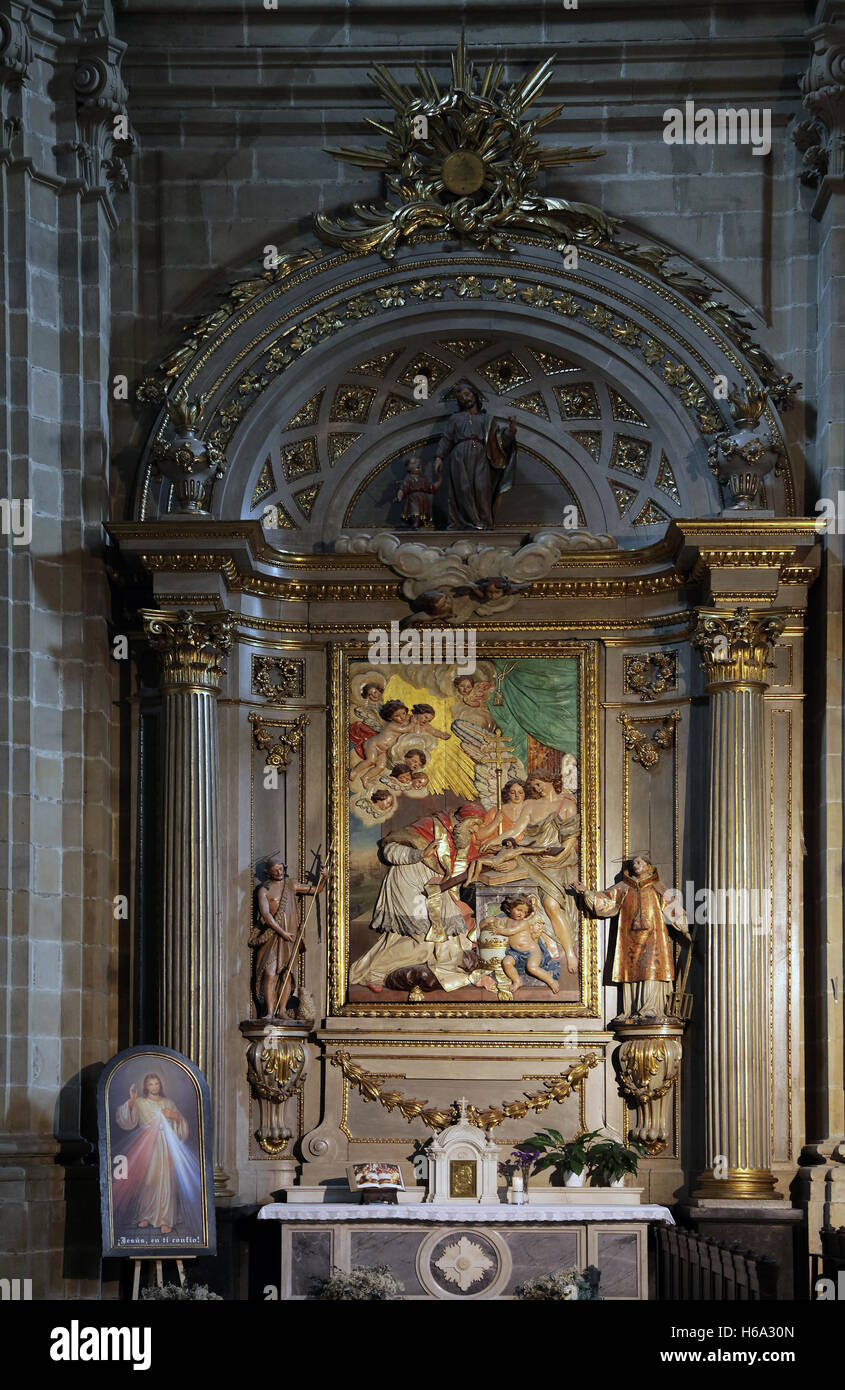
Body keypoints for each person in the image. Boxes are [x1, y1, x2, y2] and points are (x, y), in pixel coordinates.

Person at [348, 804, 495, 993]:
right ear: (462, 820)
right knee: (423, 940)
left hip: (435, 890)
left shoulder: (460, 838)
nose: (476, 830)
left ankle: (376, 970)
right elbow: (389, 850)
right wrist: (419, 854)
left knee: (445, 940)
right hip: (409, 886)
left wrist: (495, 858)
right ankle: (375, 972)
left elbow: (470, 860)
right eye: (474, 824)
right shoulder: (430, 826)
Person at [479, 770, 580, 973]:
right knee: (514, 887)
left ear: (552, 780)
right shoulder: (530, 805)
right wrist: (492, 841)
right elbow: (516, 832)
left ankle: (569, 951)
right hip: (530, 856)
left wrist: (558, 857)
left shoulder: (566, 805)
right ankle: (540, 944)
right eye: (533, 786)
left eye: (539, 784)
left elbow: (570, 841)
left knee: (551, 904)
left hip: (557, 859)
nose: (536, 789)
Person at [573, 854, 691, 1021]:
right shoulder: (623, 887)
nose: (635, 865)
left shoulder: (657, 887)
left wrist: (685, 928)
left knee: (652, 970)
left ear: (649, 866)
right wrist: (587, 892)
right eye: (634, 863)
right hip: (630, 939)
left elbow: (673, 909)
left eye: (639, 862)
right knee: (631, 971)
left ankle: (652, 1008)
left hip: (653, 938)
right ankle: (632, 1009)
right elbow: (606, 902)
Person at [113, 1073, 199, 1237]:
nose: (154, 1087)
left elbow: (181, 1122)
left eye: (156, 1083)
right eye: (151, 1084)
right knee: (148, 1180)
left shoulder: (168, 1102)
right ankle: (146, 1214)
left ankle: (165, 1219)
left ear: (161, 1085)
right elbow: (127, 1120)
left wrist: (174, 1116)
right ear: (146, 1087)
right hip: (147, 1144)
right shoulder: (140, 1102)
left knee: (166, 1180)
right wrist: (131, 1100)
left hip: (166, 1144)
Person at [250, 859, 327, 1018]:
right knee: (270, 973)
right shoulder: (263, 890)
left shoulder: (291, 885)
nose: (279, 872)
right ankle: (269, 1012)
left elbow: (317, 890)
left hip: (290, 937)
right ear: (268, 872)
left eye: (281, 868)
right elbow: (266, 915)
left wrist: (325, 877)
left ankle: (282, 1011)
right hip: (272, 936)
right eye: (275, 869)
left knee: (287, 973)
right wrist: (282, 932)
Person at [434, 382, 517, 530]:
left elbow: (498, 441)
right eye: (460, 398)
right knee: (462, 489)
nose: (465, 399)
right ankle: (465, 522)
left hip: (481, 455)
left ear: (475, 395)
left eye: (467, 394)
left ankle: (484, 522)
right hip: (459, 456)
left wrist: (510, 431)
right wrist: (439, 457)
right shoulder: (455, 418)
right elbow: (447, 438)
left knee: (481, 488)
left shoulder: (487, 419)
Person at [486, 892, 561, 994]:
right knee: (506, 962)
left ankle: (551, 981)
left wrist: (499, 931)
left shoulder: (523, 923)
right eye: (519, 910)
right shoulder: (505, 920)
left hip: (532, 951)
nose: (521, 914)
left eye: (525, 912)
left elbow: (511, 931)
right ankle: (517, 981)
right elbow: (493, 921)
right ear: (509, 909)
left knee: (532, 967)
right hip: (515, 952)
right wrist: (489, 920)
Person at [397, 455, 441, 527]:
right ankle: (415, 522)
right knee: (415, 510)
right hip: (414, 498)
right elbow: (403, 488)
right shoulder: (408, 478)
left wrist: (438, 482)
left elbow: (430, 488)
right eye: (414, 463)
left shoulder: (423, 478)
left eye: (419, 463)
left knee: (425, 511)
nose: (417, 464)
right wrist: (400, 495)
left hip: (423, 498)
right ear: (407, 467)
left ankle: (425, 522)